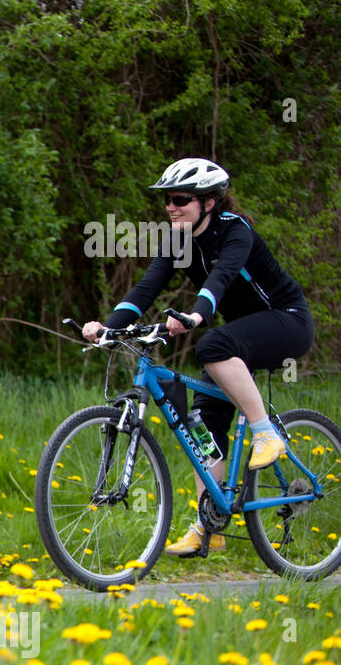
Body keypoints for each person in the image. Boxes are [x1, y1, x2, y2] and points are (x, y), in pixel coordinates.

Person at [82, 157, 314, 556]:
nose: (171, 207)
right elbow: (145, 290)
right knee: (203, 421)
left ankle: (265, 434)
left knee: (210, 346)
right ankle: (211, 526)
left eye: (180, 199)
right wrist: (108, 327)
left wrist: (195, 316)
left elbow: (220, 278)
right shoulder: (177, 240)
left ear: (209, 202)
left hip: (286, 321)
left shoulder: (235, 231)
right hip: (240, 336)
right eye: (167, 200)